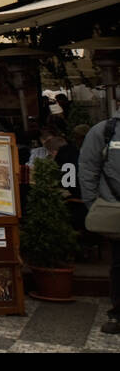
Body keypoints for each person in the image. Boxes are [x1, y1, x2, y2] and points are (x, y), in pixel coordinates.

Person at [79, 114, 120, 335]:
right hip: (116, 209)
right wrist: (94, 204)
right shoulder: (105, 131)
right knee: (119, 264)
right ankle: (118, 314)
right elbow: (88, 169)